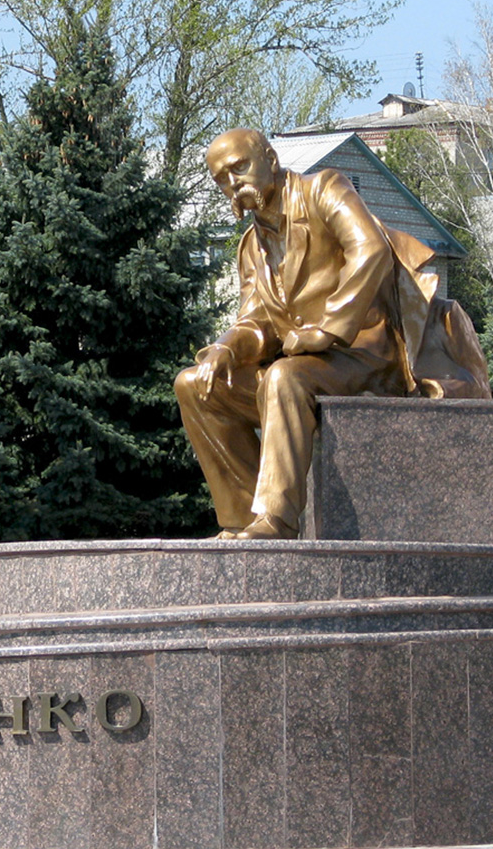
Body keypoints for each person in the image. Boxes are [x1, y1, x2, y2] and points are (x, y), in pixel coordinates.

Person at [175, 128, 490, 541]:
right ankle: (241, 518)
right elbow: (255, 320)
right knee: (194, 385)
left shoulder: (323, 189)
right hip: (309, 366)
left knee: (284, 377)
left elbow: (371, 249)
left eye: (239, 167)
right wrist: (224, 350)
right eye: (221, 178)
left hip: (369, 353)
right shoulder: (252, 245)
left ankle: (278, 520)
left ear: (270, 159)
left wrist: (327, 330)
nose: (233, 182)